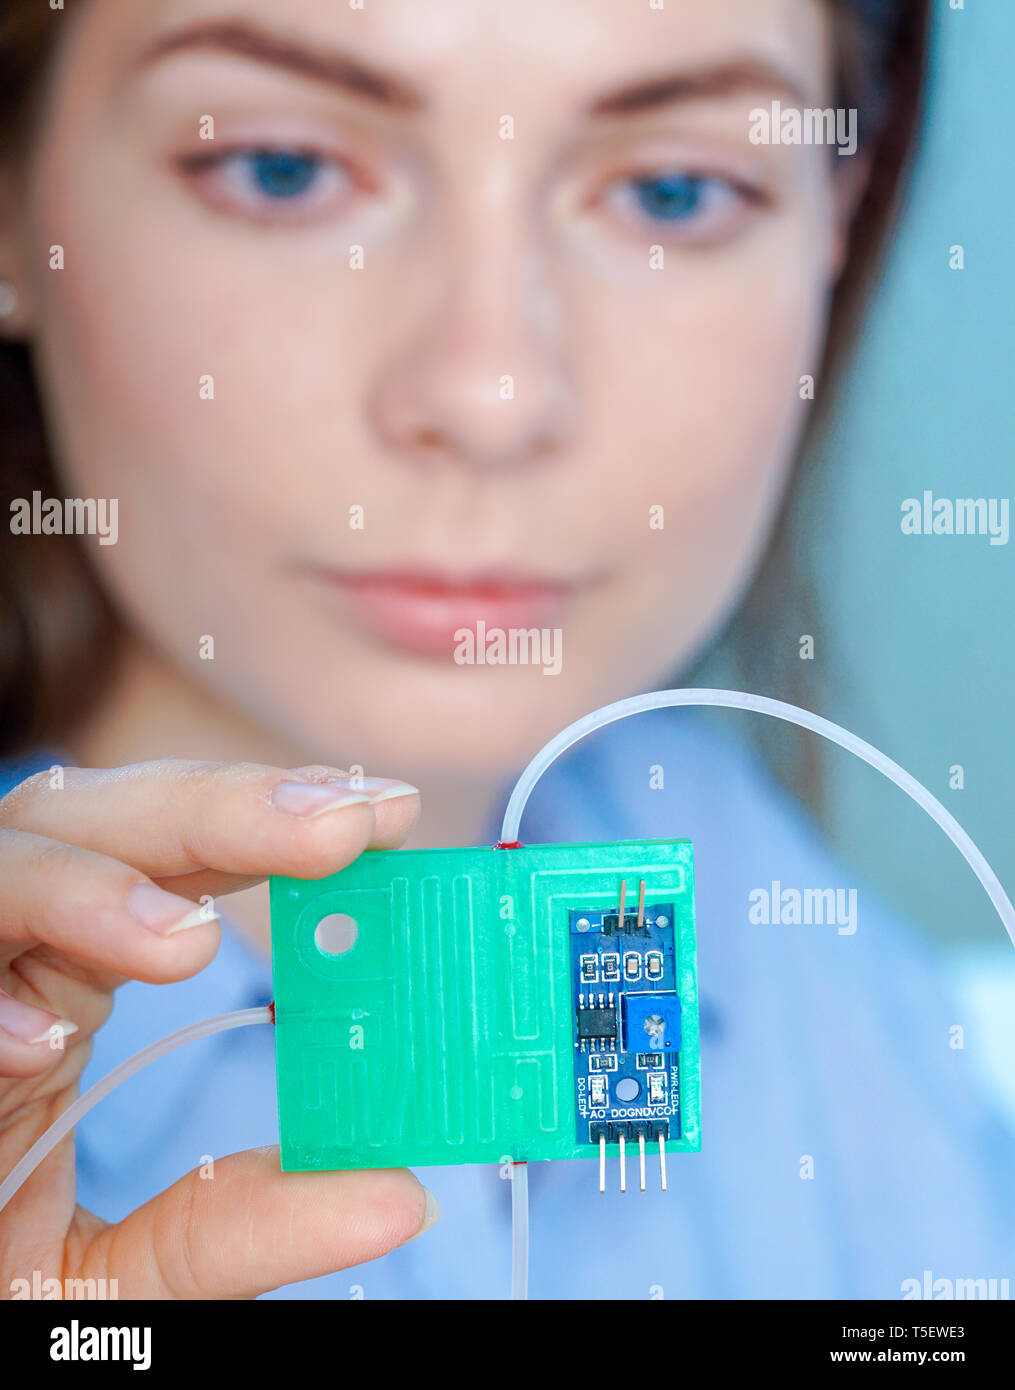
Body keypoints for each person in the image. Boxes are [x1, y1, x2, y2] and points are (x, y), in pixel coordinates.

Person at [0, 0, 1010, 1299]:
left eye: (673, 189)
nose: (494, 395)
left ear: (839, 209)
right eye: (282, 168)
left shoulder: (783, 923)